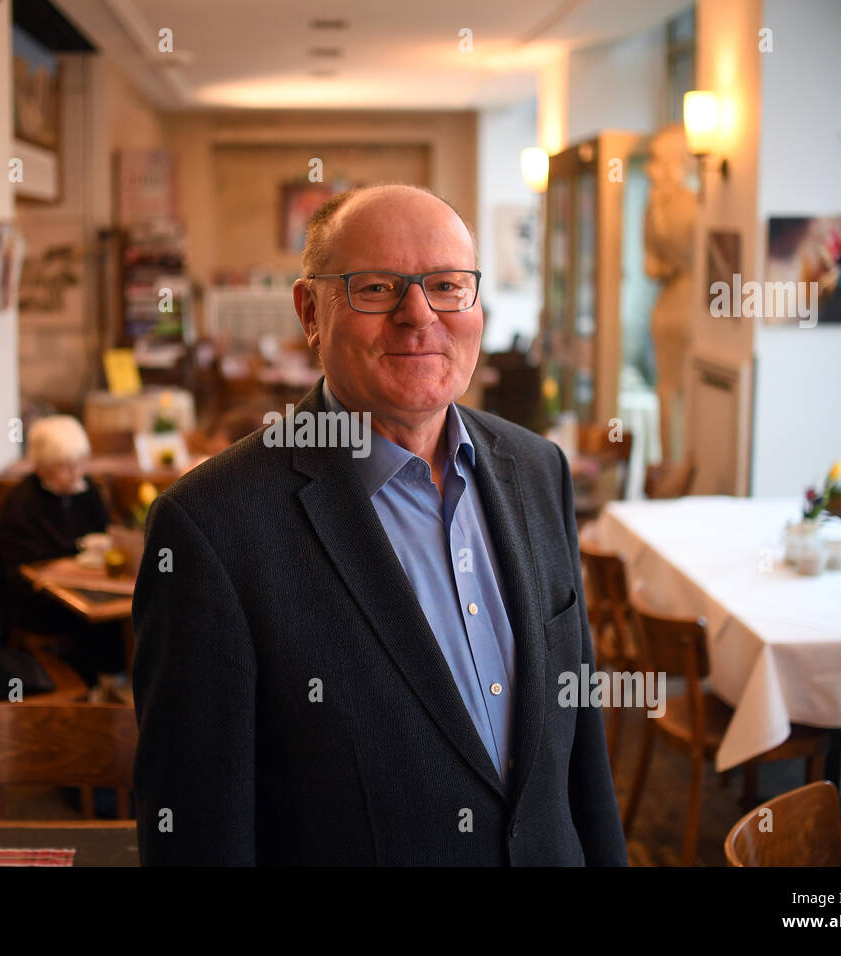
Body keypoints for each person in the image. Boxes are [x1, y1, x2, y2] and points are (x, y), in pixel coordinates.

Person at [132, 184, 627, 865]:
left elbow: (581, 757)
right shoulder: (211, 530)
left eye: (447, 285)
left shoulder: (538, 469)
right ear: (310, 311)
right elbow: (199, 838)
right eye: (375, 288)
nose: (418, 315)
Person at [0, 415, 124, 682]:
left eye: (80, 463)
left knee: (128, 611)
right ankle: (88, 687)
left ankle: (115, 679)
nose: (77, 472)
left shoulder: (87, 489)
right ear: (41, 468)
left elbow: (105, 532)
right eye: (65, 467)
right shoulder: (23, 503)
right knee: (98, 621)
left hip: (88, 585)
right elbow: (22, 571)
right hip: (42, 600)